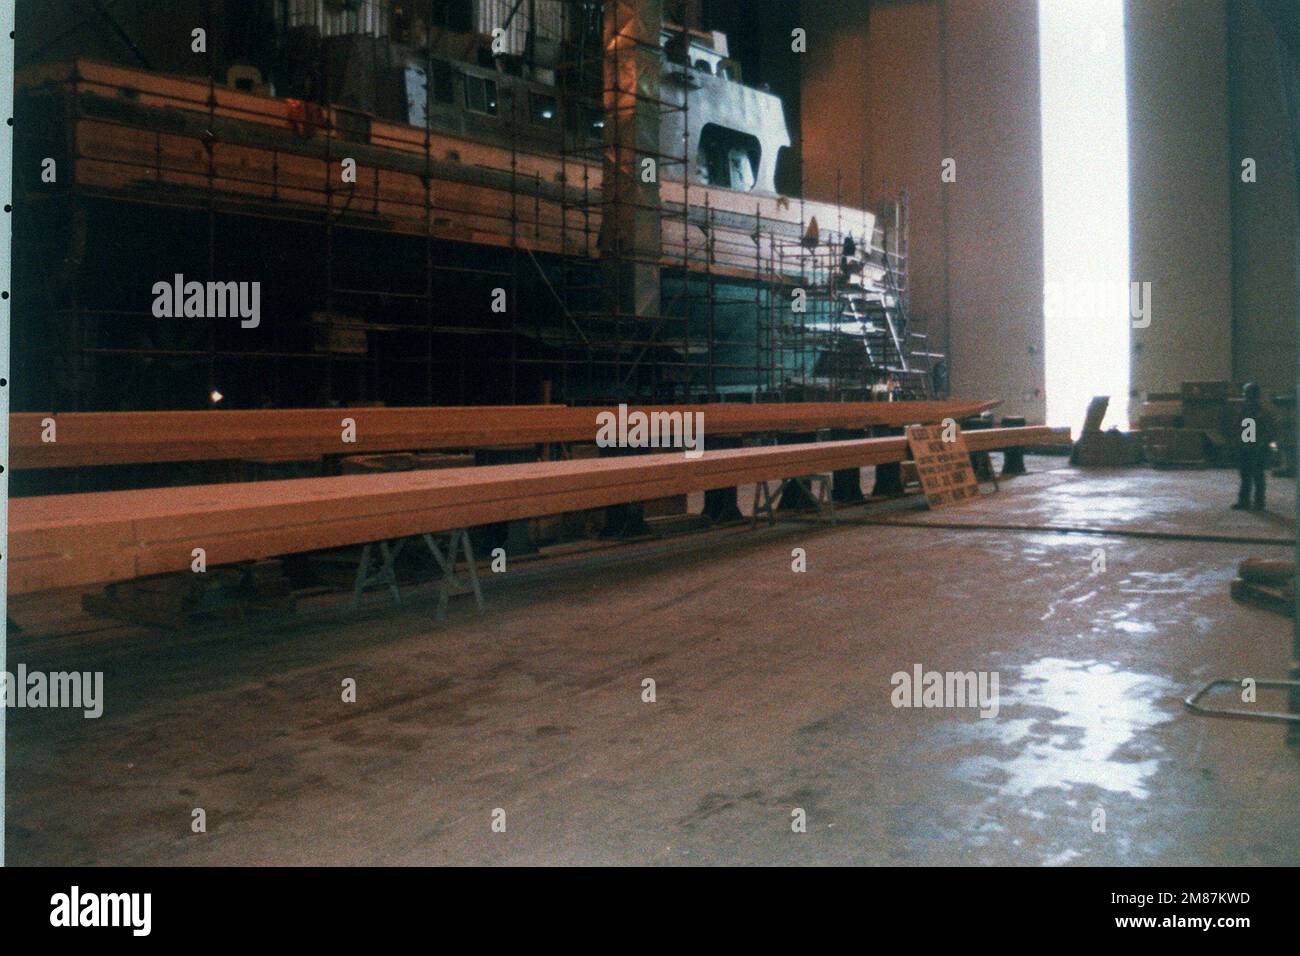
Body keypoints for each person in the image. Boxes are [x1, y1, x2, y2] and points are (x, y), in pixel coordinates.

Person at [1233, 382, 1274, 511]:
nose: (1244, 396)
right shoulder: (1244, 410)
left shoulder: (1262, 411)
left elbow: (1269, 431)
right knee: (1245, 475)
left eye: (1246, 393)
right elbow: (1239, 427)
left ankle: (1259, 502)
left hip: (1258, 448)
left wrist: (1263, 444)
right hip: (1245, 447)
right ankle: (1244, 501)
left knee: (1257, 475)